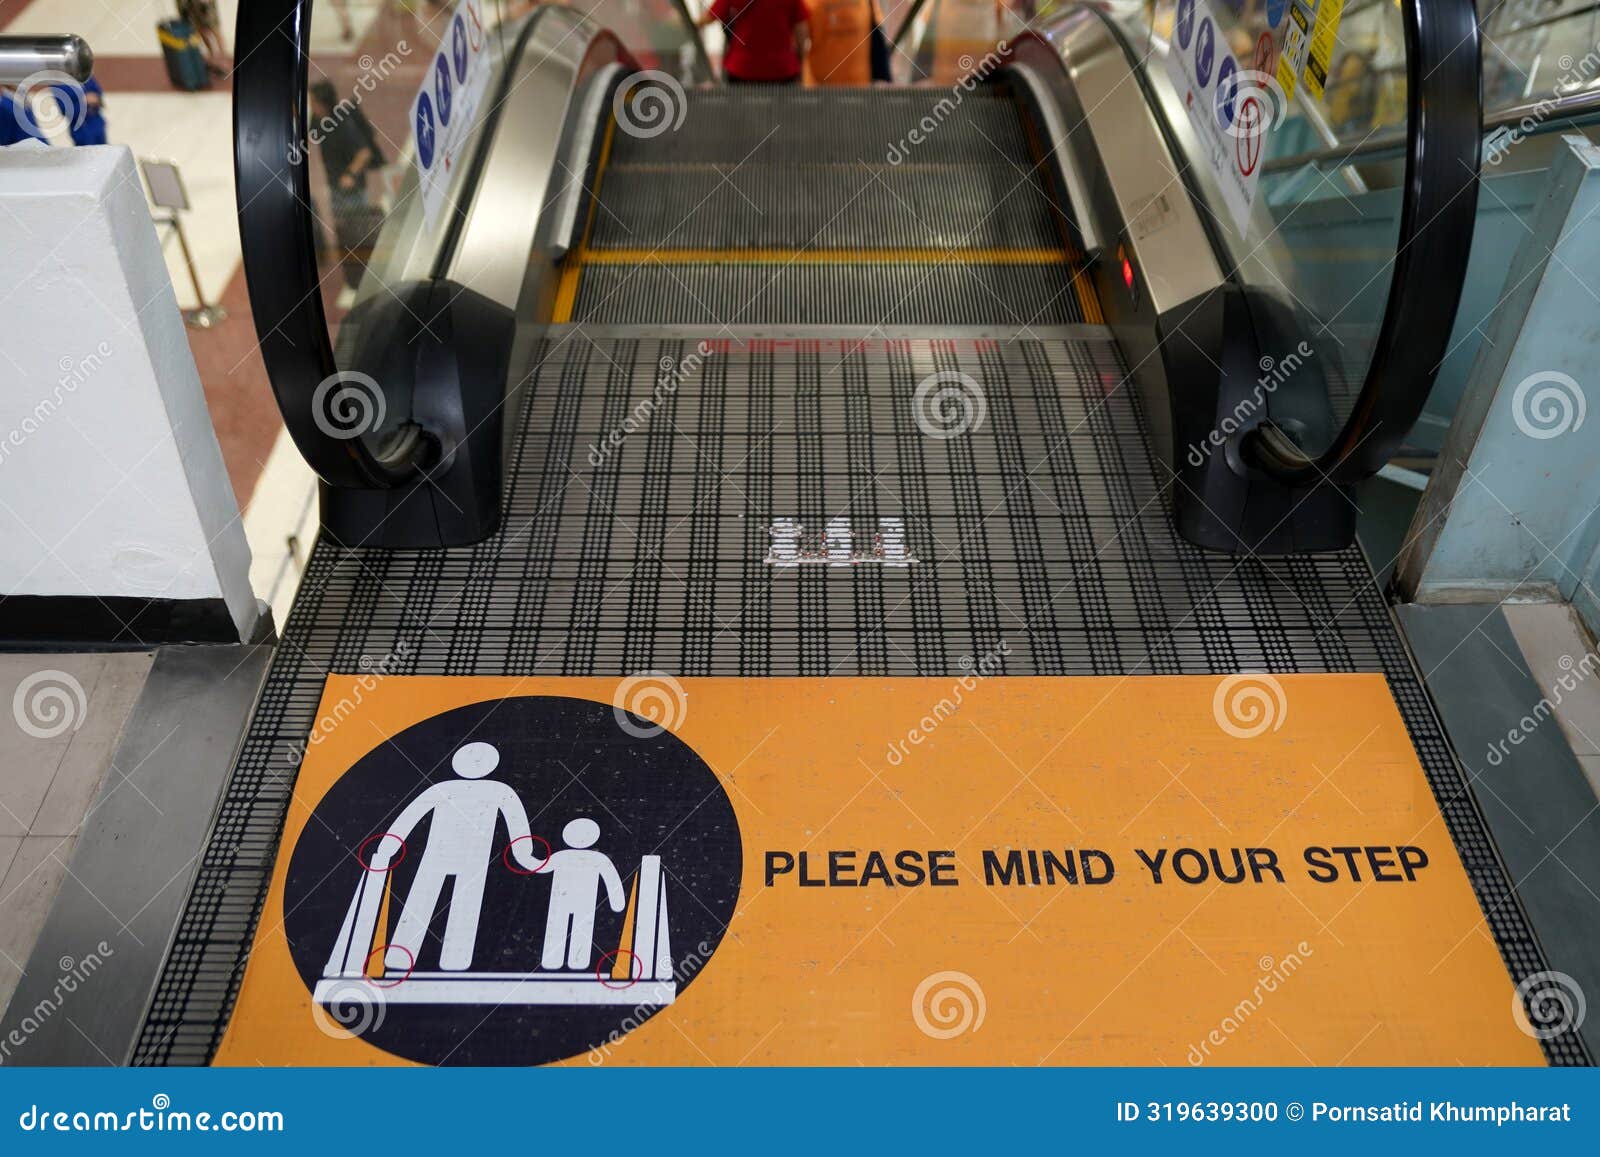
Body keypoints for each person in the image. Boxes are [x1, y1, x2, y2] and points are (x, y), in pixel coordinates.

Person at [370, 741, 541, 972]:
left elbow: (516, 823)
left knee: (458, 906)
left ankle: (445, 959)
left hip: (468, 858)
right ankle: (423, 958)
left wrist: (387, 847)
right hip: (444, 855)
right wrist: (525, 856)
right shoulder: (451, 789)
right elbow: (411, 815)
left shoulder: (491, 790)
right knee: (429, 903)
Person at [309, 80, 385, 287]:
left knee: (356, 230)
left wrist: (350, 174)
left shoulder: (343, 125)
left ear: (322, 103)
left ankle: (364, 275)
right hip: (335, 187)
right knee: (344, 229)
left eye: (313, 101)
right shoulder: (318, 119)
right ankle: (355, 272)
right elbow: (312, 134)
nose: (310, 105)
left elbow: (364, 152)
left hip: (350, 189)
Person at [537, 818, 626, 970]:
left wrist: (617, 901)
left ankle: (569, 960)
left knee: (574, 928)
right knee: (568, 928)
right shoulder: (589, 857)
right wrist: (617, 902)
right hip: (568, 901)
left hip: (577, 901)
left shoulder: (565, 856)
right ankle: (567, 961)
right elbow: (611, 880)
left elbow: (539, 866)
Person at [699, 0, 811, 85]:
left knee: (743, 113)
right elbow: (801, 31)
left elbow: (709, 18)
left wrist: (690, 23)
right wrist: (800, 59)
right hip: (782, 68)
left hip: (742, 67)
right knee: (780, 113)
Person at [177, 0, 228, 77]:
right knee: (201, 30)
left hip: (205, 3)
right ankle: (212, 56)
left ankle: (224, 59)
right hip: (192, 4)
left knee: (214, 29)